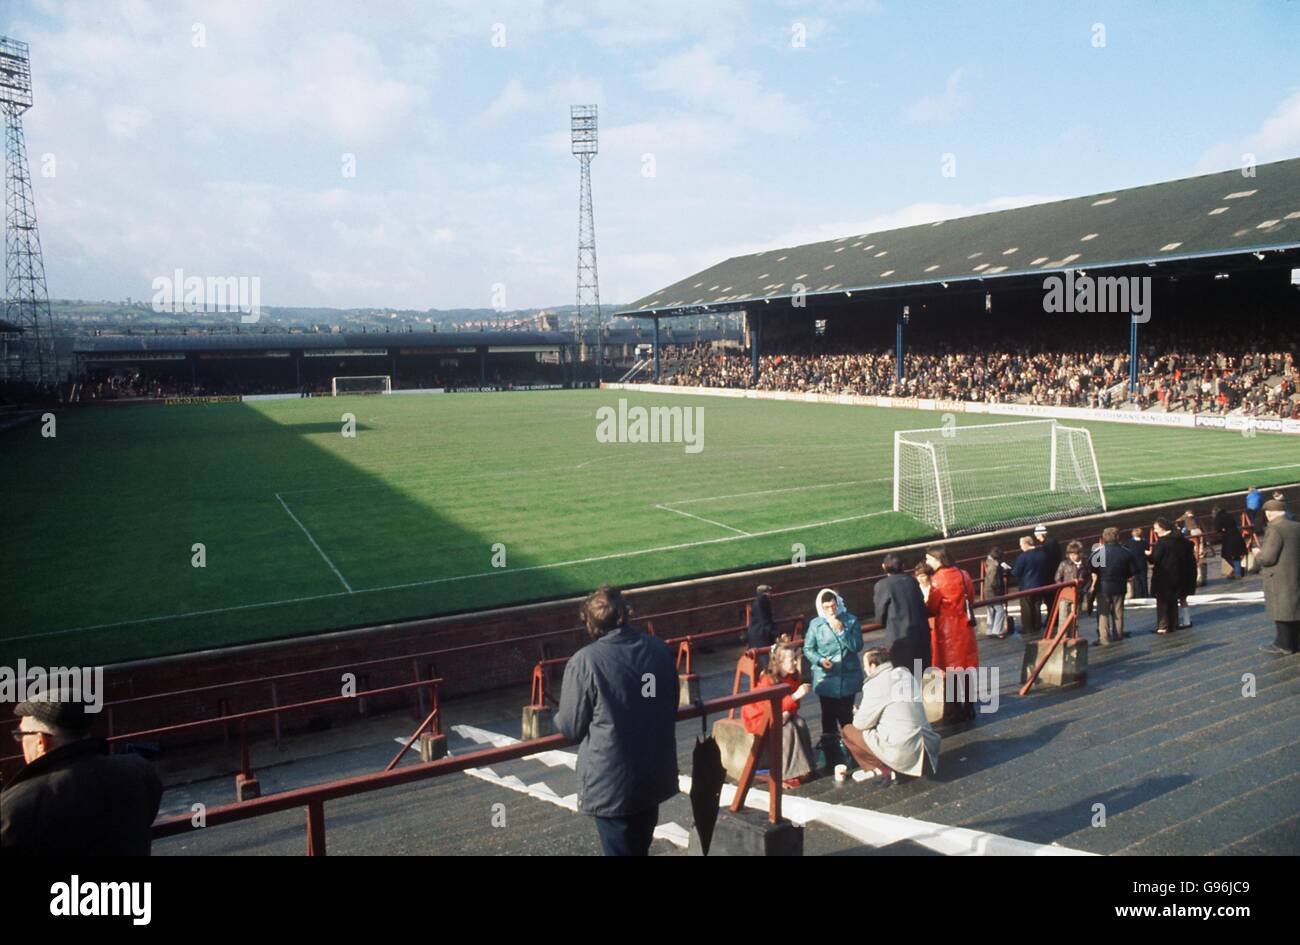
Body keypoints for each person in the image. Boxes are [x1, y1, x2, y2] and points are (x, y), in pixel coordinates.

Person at [556, 585, 679, 856]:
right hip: (652, 774)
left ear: (590, 623)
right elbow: (667, 703)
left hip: (613, 782)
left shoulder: (585, 661)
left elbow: (570, 726)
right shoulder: (658, 648)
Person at [1, 689, 163, 856]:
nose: (20, 741)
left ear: (41, 741)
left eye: (20, 735)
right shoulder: (139, 771)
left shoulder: (15, 806)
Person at [840, 647, 940, 784]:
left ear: (873, 666)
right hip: (927, 745)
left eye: (865, 665)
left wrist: (857, 712)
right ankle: (905, 765)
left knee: (848, 731)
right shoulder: (905, 674)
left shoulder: (876, 684)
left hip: (903, 751)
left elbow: (860, 724)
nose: (864, 669)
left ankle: (888, 769)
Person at [741, 638, 816, 787]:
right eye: (791, 660)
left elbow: (794, 705)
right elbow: (769, 706)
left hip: (779, 713)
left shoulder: (792, 677)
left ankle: (807, 767)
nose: (795, 662)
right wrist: (794, 697)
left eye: (795, 658)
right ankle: (788, 773)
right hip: (759, 718)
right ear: (779, 662)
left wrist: (789, 710)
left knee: (800, 723)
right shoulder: (768, 680)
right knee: (788, 729)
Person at [802, 588, 865, 762]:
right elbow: (808, 649)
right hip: (827, 677)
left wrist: (842, 632)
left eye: (833, 606)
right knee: (828, 716)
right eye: (826, 607)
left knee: (846, 716)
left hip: (847, 676)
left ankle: (853, 752)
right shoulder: (816, 624)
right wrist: (820, 660)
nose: (831, 610)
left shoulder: (851, 620)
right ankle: (831, 753)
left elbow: (857, 646)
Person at [924, 545, 980, 723]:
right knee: (966, 666)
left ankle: (954, 709)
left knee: (950, 670)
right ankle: (969, 706)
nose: (927, 562)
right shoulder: (964, 574)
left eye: (929, 558)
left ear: (937, 560)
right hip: (964, 626)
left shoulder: (936, 581)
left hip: (946, 630)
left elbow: (932, 607)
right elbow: (970, 597)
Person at [872, 553, 932, 676]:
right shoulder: (912, 581)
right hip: (921, 637)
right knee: (923, 676)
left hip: (899, 639)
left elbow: (880, 616)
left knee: (904, 680)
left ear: (884, 566)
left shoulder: (883, 585)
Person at [1256, 498, 1300, 655]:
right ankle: (1295, 642)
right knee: (1295, 608)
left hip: (1279, 576)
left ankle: (1283, 644)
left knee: (1281, 609)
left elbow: (1268, 557)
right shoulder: (1296, 526)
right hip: (1295, 573)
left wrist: (1257, 555)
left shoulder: (1275, 529)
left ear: (1268, 514)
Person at [1150, 519, 1196, 635]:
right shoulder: (1181, 540)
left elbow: (1155, 559)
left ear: (1163, 528)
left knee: (1162, 601)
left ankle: (1163, 626)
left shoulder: (1162, 542)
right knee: (1174, 600)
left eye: (1156, 528)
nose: (1155, 531)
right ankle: (1173, 624)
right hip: (1180, 574)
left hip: (1164, 575)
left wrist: (1148, 555)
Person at [1091, 527, 1137, 644]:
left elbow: (1094, 569)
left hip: (1103, 586)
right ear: (1117, 537)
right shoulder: (1126, 552)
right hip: (1119, 585)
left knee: (1103, 613)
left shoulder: (1099, 553)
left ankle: (1104, 638)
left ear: (1103, 538)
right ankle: (1118, 635)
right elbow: (1132, 571)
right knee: (1118, 611)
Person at [1009, 535, 1050, 636]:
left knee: (1026, 608)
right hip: (1040, 584)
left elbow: (1016, 572)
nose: (1021, 547)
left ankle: (1028, 628)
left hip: (1026, 587)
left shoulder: (1023, 557)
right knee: (1037, 606)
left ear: (1025, 544)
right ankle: (1037, 626)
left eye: (1021, 545)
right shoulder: (1042, 555)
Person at [1054, 540, 1090, 629]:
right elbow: (1057, 578)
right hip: (1065, 595)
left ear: (1080, 554)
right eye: (1070, 554)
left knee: (1075, 618)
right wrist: (1064, 587)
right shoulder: (1064, 564)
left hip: (1078, 594)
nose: (1072, 556)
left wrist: (1084, 589)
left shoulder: (1085, 564)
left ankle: (1074, 636)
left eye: (1075, 554)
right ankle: (1062, 637)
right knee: (1063, 618)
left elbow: (1089, 578)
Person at [982, 546, 1012, 639]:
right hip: (993, 593)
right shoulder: (994, 567)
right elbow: (993, 582)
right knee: (1000, 610)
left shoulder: (989, 563)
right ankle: (997, 630)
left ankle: (989, 630)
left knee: (991, 611)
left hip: (988, 591)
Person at [746, 584, 778, 670]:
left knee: (762, 659)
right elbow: (765, 621)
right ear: (764, 593)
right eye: (769, 592)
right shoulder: (761, 603)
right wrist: (777, 633)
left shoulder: (761, 602)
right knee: (764, 661)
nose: (771, 594)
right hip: (760, 636)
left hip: (759, 634)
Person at [1213, 505, 1247, 580]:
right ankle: (1238, 572)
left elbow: (1217, 528)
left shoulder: (1218, 518)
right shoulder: (1229, 515)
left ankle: (1238, 571)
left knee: (1226, 555)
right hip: (1237, 536)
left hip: (1228, 538)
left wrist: (1222, 530)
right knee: (1236, 555)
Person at [1121, 526, 1150, 598]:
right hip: (1142, 563)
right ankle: (1144, 594)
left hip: (1134, 563)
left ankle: (1139, 595)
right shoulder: (1145, 542)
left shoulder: (1129, 543)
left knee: (1137, 580)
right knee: (1143, 579)